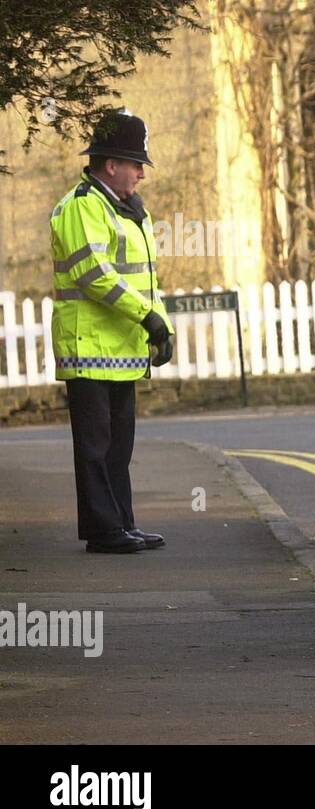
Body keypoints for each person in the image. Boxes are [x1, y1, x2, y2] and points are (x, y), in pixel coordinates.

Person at [51, 110, 175, 553]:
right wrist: (148, 318)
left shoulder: (131, 211)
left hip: (121, 349)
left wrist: (161, 328)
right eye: (135, 163)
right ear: (110, 165)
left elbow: (147, 278)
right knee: (95, 447)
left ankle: (122, 522)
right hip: (87, 347)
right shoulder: (82, 206)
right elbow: (96, 274)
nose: (141, 173)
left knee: (118, 446)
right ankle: (103, 531)